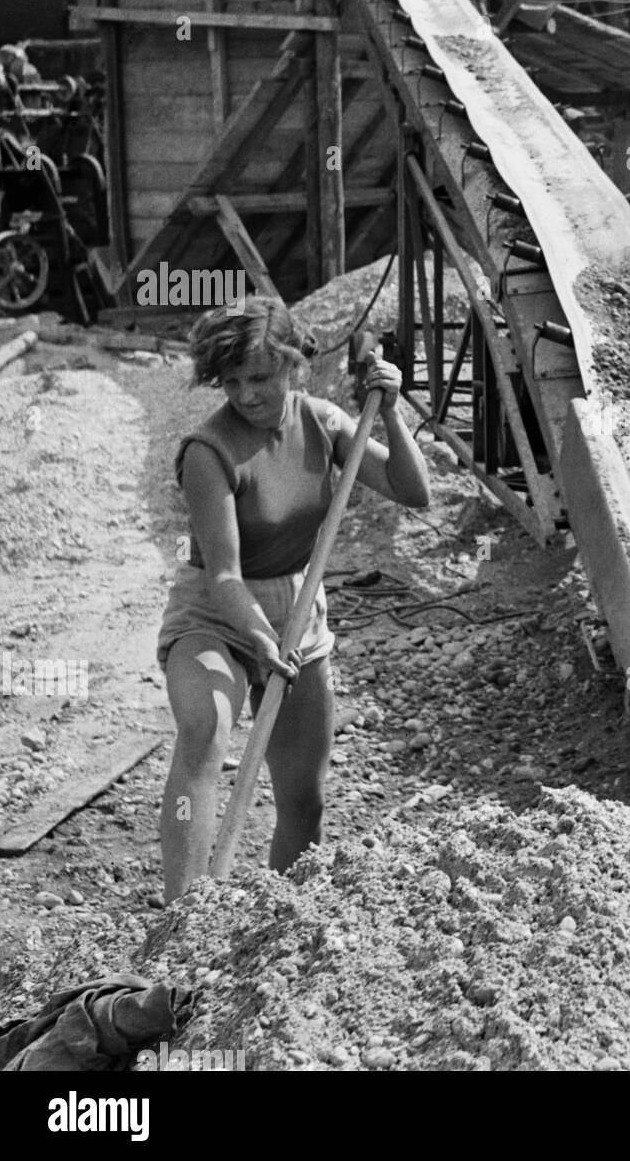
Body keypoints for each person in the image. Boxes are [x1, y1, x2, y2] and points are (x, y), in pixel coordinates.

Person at [155, 296, 431, 903]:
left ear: (291, 366)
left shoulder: (324, 423)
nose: (245, 394)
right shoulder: (208, 452)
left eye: (258, 377)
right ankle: (183, 917)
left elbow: (416, 493)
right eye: (231, 381)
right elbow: (224, 575)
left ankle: (279, 919)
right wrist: (256, 638)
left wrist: (389, 415)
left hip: (299, 611)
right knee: (205, 727)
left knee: (305, 796)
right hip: (216, 615)